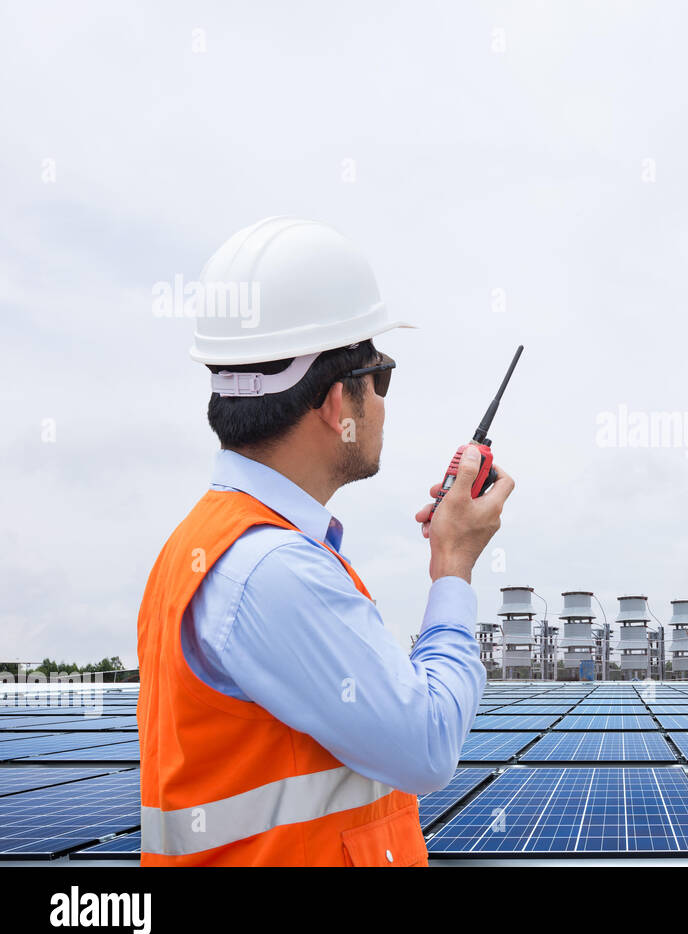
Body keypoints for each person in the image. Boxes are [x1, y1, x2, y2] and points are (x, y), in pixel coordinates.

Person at [136, 217, 512, 866]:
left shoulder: (211, 545)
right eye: (382, 376)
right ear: (340, 403)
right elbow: (426, 744)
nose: (385, 402)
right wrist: (454, 566)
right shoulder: (271, 569)